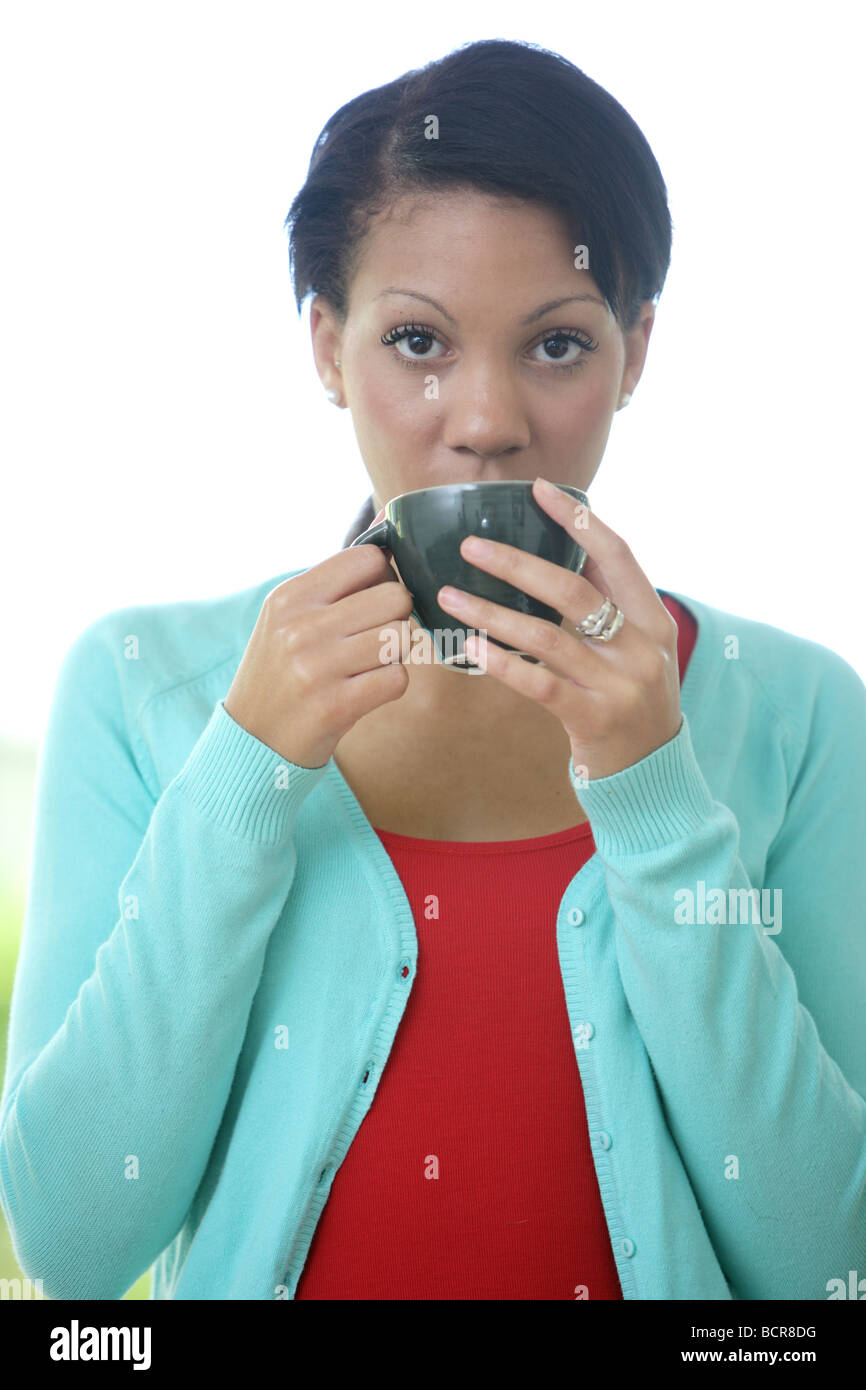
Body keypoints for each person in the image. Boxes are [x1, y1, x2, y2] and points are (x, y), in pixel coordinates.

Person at [1, 37, 864, 1303]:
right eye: (416, 340)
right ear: (323, 346)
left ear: (634, 350)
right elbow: (72, 1244)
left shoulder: (798, 714)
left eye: (556, 345)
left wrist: (654, 798)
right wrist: (242, 773)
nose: (486, 420)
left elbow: (825, 1268)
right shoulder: (147, 690)